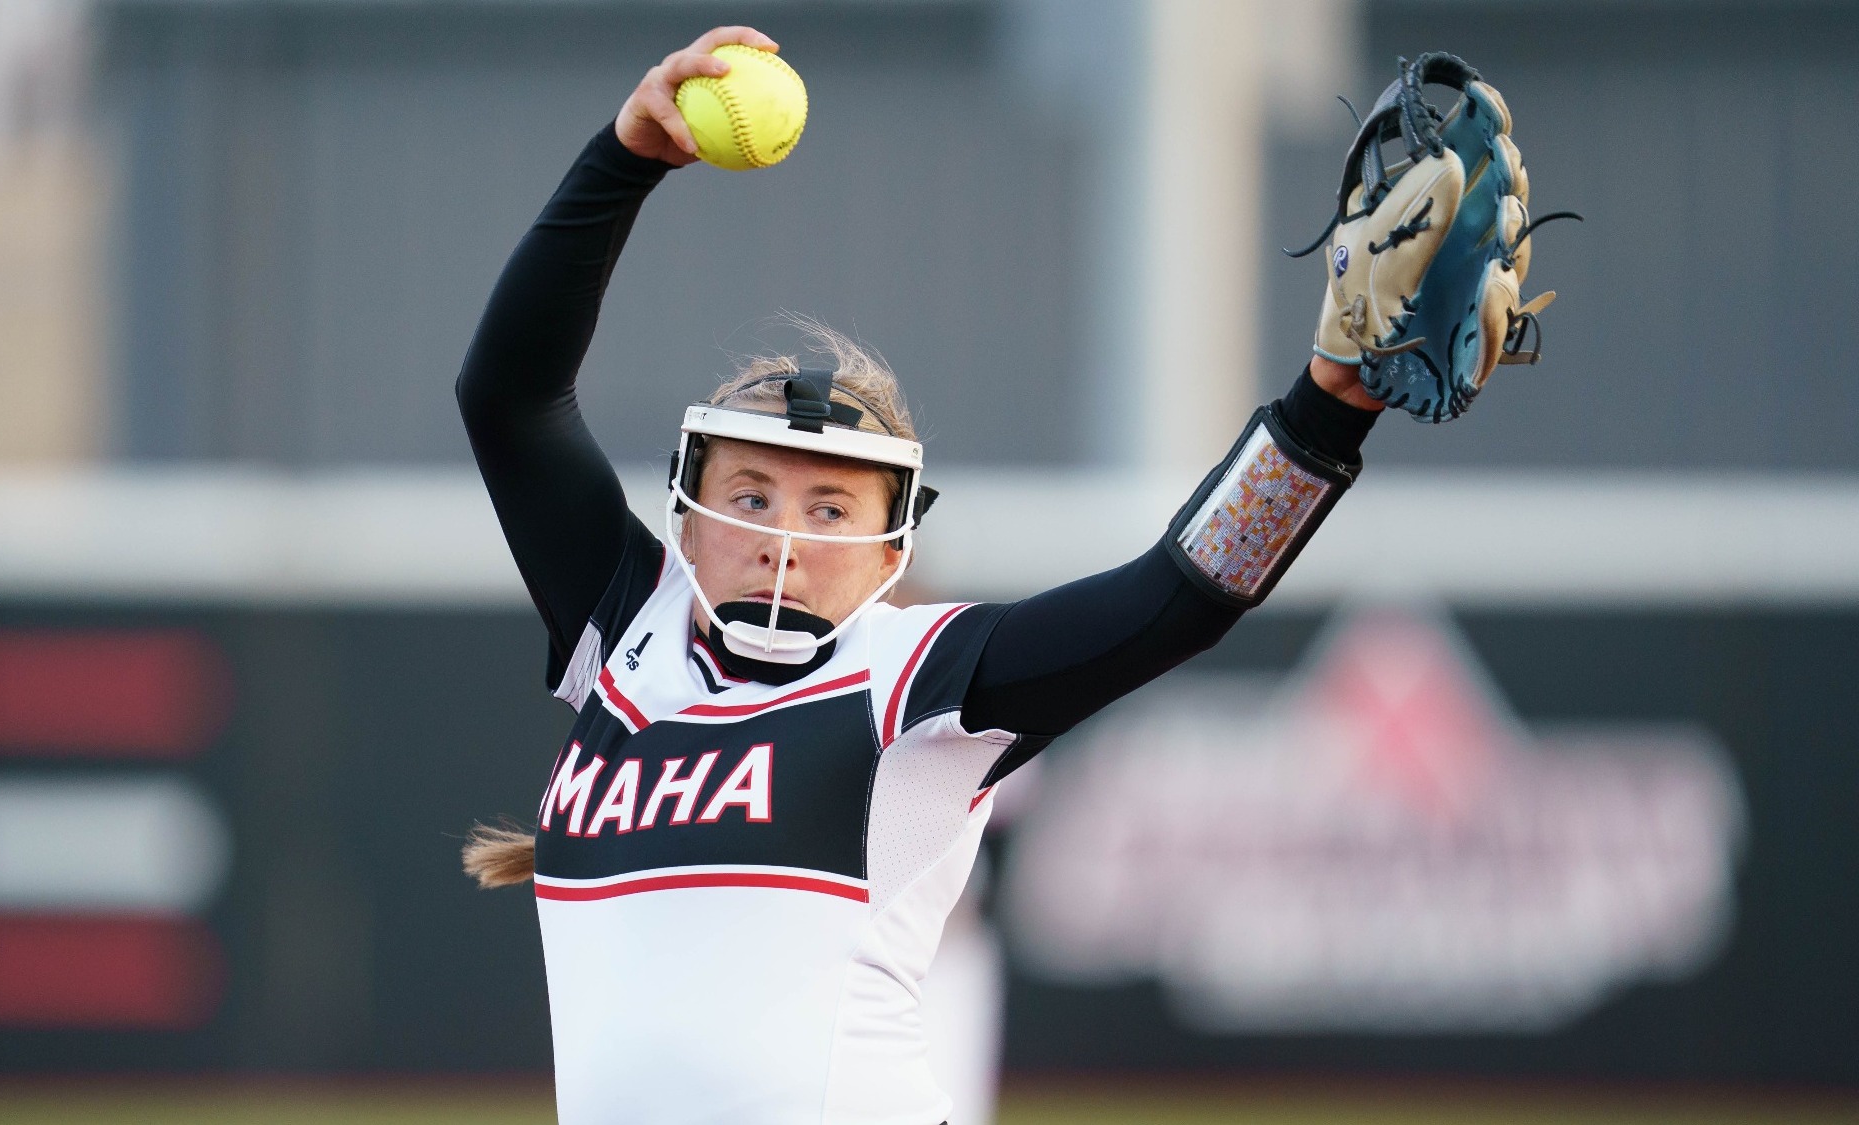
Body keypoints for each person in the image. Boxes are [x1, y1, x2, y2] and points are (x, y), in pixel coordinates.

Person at [456, 26, 1381, 1125]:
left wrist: (1332, 404)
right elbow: (507, 396)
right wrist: (624, 157)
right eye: (750, 495)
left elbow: (1178, 595)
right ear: (688, 519)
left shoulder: (909, 677)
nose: (783, 535)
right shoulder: (629, 629)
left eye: (830, 506)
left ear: (892, 551)